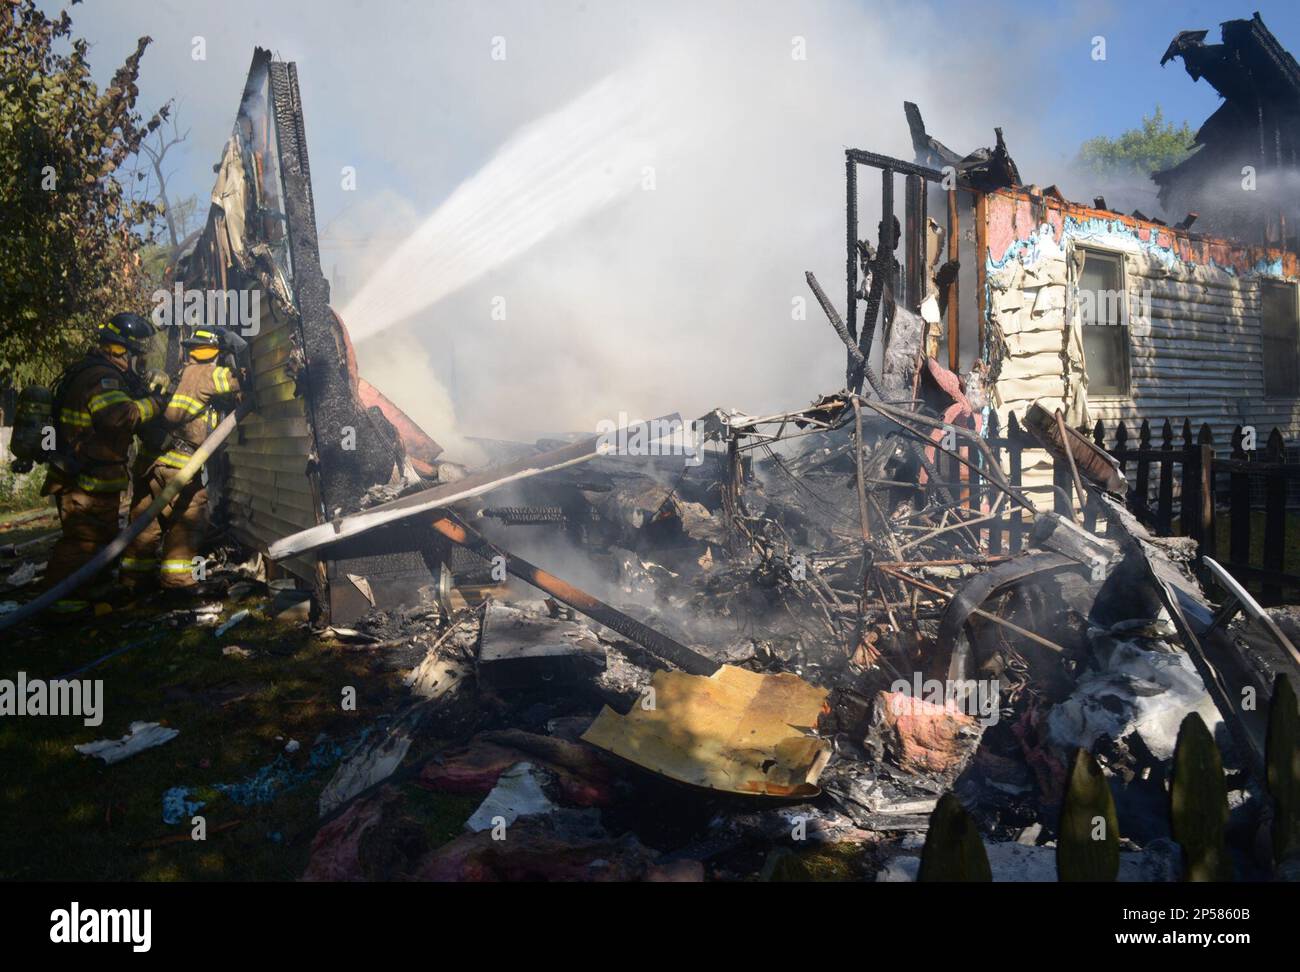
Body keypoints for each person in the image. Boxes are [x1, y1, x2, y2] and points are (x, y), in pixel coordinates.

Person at [39, 313, 166, 615]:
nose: (137, 362)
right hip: (85, 479)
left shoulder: (90, 371)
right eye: (134, 354)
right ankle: (62, 607)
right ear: (121, 350)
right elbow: (119, 418)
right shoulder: (102, 378)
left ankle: (84, 594)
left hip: (86, 476)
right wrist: (157, 403)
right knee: (81, 542)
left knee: (97, 540)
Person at [121, 328, 243, 595]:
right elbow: (240, 380)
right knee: (189, 517)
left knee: (146, 523)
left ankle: (133, 582)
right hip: (179, 466)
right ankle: (177, 582)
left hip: (149, 463)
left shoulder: (180, 373)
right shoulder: (206, 374)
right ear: (214, 353)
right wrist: (240, 349)